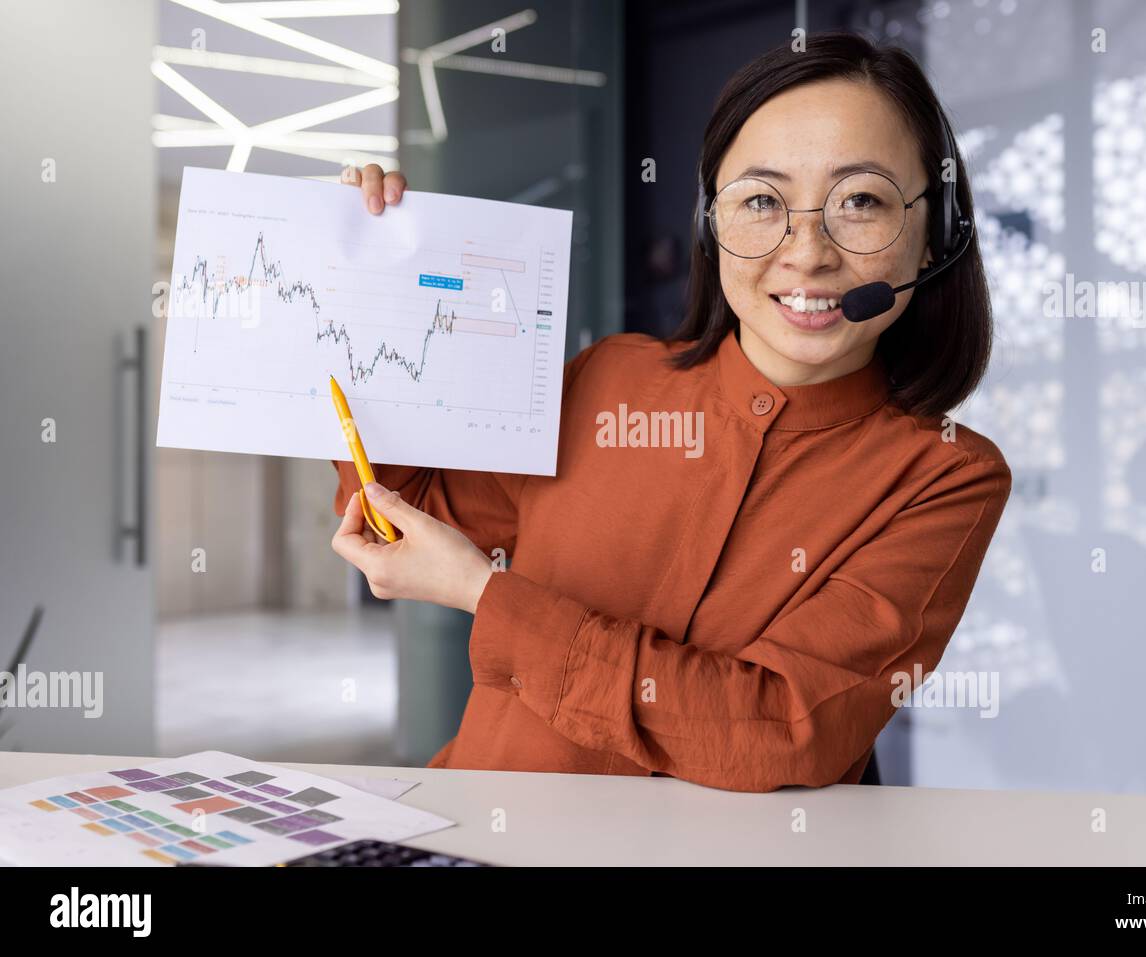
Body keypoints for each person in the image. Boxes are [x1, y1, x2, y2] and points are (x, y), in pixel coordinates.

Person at [329, 31, 1012, 792]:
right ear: (712, 226)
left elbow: (782, 730)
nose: (808, 251)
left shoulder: (944, 475)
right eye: (761, 200)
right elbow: (400, 511)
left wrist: (486, 596)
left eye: (860, 201)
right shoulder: (609, 380)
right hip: (477, 834)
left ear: (934, 237)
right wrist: (381, 292)